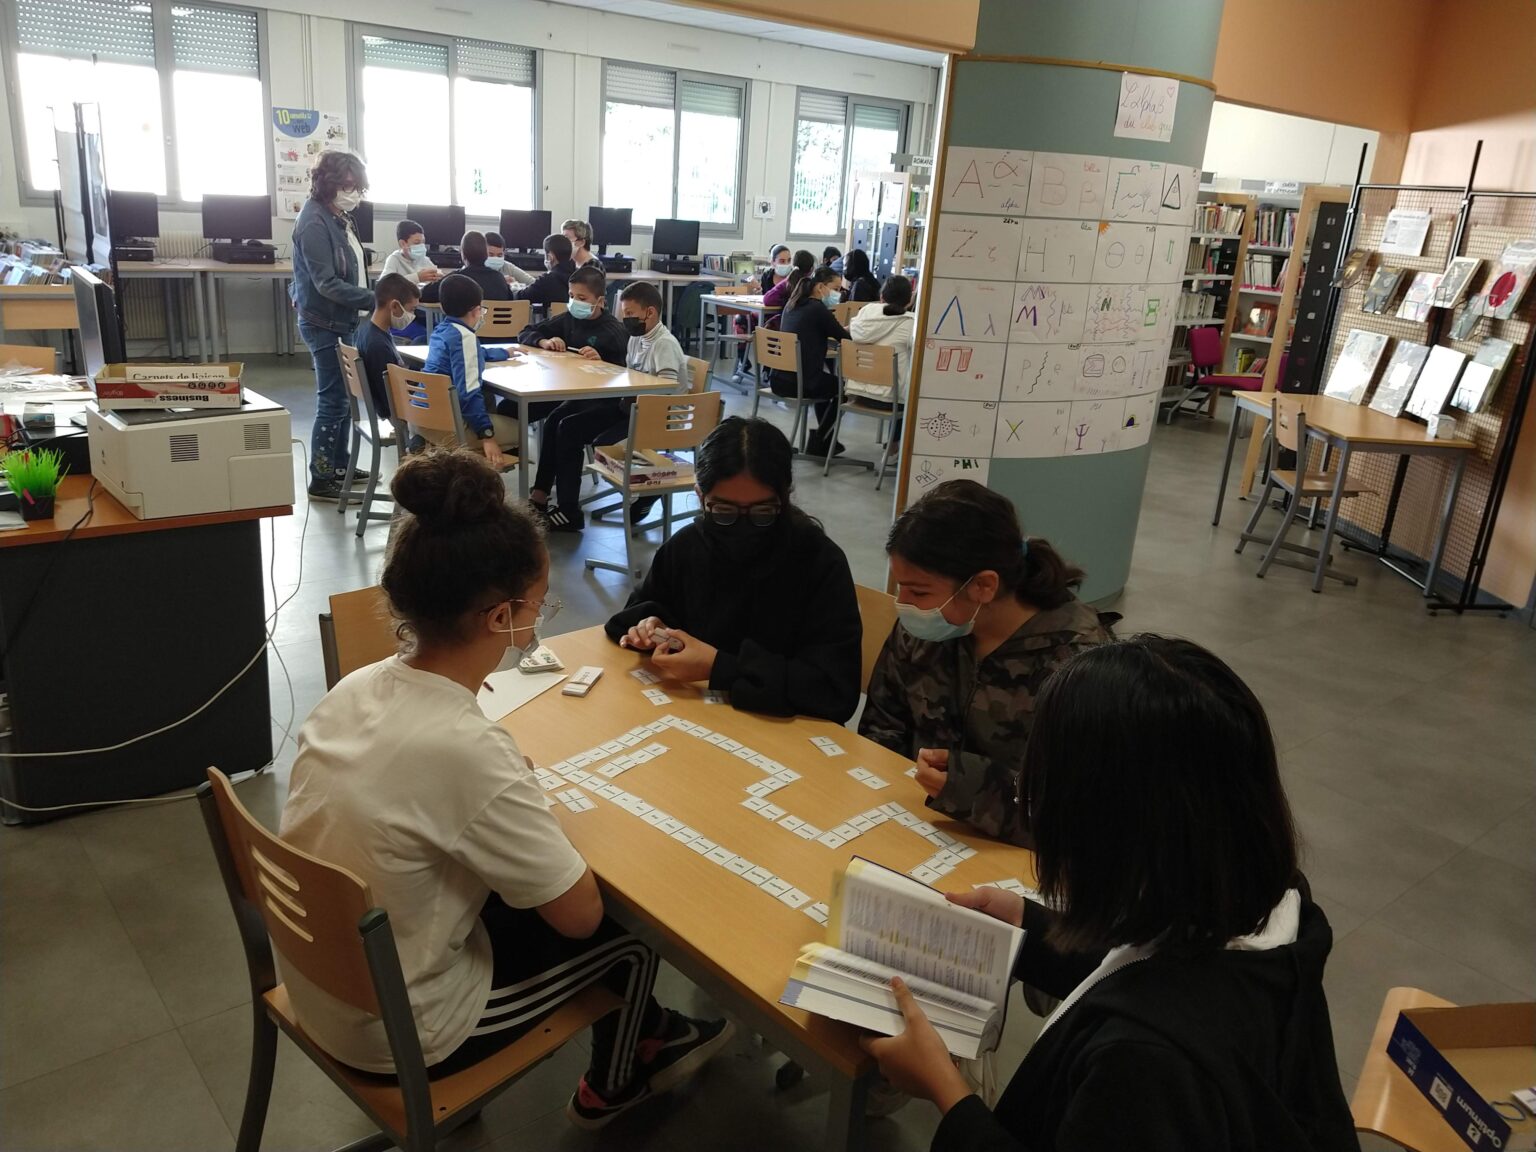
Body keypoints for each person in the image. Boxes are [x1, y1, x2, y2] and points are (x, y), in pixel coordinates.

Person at [279, 449, 733, 1129]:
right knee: (629, 934)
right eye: (540, 604)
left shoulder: (356, 687)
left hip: (319, 978)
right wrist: (522, 802)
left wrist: (495, 794)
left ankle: (640, 1042)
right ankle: (620, 1081)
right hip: (402, 1031)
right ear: (501, 618)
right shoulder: (466, 749)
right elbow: (579, 917)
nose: (540, 617)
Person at [860, 636, 1358, 1152]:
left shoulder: (1144, 1063)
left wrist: (947, 1091)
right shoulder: (1262, 901)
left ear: (1104, 833)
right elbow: (1149, 968)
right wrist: (1029, 925)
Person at [859, 480, 1113, 844]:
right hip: (916, 823)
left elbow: (1081, 816)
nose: (904, 603)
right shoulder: (929, 627)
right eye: (901, 586)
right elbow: (882, 725)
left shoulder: (1078, 667)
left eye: (918, 591)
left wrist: (968, 790)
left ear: (983, 586)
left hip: (1014, 852)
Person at [605, 417, 861, 722]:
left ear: (784, 498)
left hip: (780, 729)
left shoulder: (819, 561)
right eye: (724, 512)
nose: (743, 527)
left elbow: (835, 692)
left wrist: (719, 667)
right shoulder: (687, 547)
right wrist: (651, 627)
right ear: (700, 496)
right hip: (696, 716)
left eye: (763, 512)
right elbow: (634, 615)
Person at [290, 150, 375, 501]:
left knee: (343, 399)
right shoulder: (314, 222)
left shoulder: (338, 216)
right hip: (324, 322)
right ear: (327, 183)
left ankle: (340, 465)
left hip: (340, 318)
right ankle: (322, 477)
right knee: (333, 401)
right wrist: (375, 299)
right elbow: (325, 283)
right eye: (347, 186)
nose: (353, 193)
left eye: (357, 187)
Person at [420, 274, 520, 468]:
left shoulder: (442, 330)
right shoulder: (465, 337)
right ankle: (478, 468)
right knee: (519, 429)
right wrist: (486, 435)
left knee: (487, 400)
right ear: (475, 311)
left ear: (443, 307)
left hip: (422, 416)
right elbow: (468, 392)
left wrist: (503, 353)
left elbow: (471, 354)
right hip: (448, 425)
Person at [616, 280, 690, 524]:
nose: (625, 319)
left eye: (629, 313)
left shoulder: (664, 344)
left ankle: (649, 487)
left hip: (665, 416)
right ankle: (644, 487)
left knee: (609, 440)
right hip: (641, 408)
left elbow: (664, 392)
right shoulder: (636, 338)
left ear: (650, 313)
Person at [773, 267, 850, 456]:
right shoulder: (817, 308)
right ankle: (820, 439)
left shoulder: (792, 304)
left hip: (779, 379)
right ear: (821, 287)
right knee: (845, 389)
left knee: (827, 386)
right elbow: (844, 338)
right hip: (801, 382)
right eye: (835, 288)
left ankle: (824, 442)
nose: (838, 294)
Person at [517, 265, 628, 366]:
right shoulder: (568, 318)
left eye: (582, 298)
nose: (575, 301)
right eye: (571, 296)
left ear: (600, 301)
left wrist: (601, 361)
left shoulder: (614, 332)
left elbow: (624, 370)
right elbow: (525, 332)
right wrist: (544, 342)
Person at [353, 272, 419, 426]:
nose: (412, 315)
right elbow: (391, 401)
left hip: (394, 404)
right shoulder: (378, 346)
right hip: (399, 413)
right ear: (394, 306)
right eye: (411, 310)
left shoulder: (367, 331)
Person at [848, 274, 916, 404]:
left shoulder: (865, 313)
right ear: (909, 301)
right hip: (893, 399)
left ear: (881, 297)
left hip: (858, 393)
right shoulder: (911, 323)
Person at [422, 231, 512, 305]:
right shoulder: (500, 278)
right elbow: (511, 301)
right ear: (486, 254)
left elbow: (423, 295)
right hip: (498, 322)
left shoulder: (455, 279)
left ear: (463, 255)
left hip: (468, 322)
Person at [506, 233, 578, 307]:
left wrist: (512, 286)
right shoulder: (579, 275)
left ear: (550, 257)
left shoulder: (547, 280)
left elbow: (520, 297)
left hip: (553, 315)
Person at [762, 248, 815, 331]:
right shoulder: (814, 286)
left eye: (789, 260)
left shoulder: (787, 282)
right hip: (806, 330)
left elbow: (768, 299)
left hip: (786, 329)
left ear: (793, 266)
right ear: (811, 269)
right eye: (782, 261)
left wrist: (784, 301)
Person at [380, 219, 442, 287]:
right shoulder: (394, 259)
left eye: (423, 242)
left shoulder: (424, 260)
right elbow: (384, 285)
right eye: (417, 243)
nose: (422, 246)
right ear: (402, 244)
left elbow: (437, 277)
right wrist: (417, 278)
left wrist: (438, 277)